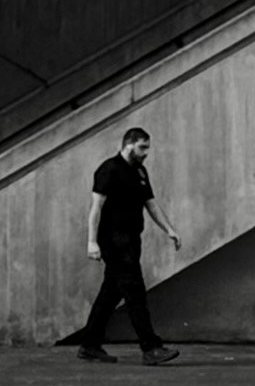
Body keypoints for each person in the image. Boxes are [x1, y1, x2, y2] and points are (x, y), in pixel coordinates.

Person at [74, 122, 182, 363]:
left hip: (132, 239)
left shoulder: (140, 172)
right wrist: (91, 242)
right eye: (142, 147)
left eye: (148, 148)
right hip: (114, 240)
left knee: (111, 293)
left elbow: (151, 204)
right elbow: (96, 208)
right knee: (135, 291)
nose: (146, 153)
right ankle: (150, 348)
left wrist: (169, 229)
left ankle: (89, 344)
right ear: (128, 145)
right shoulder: (109, 169)